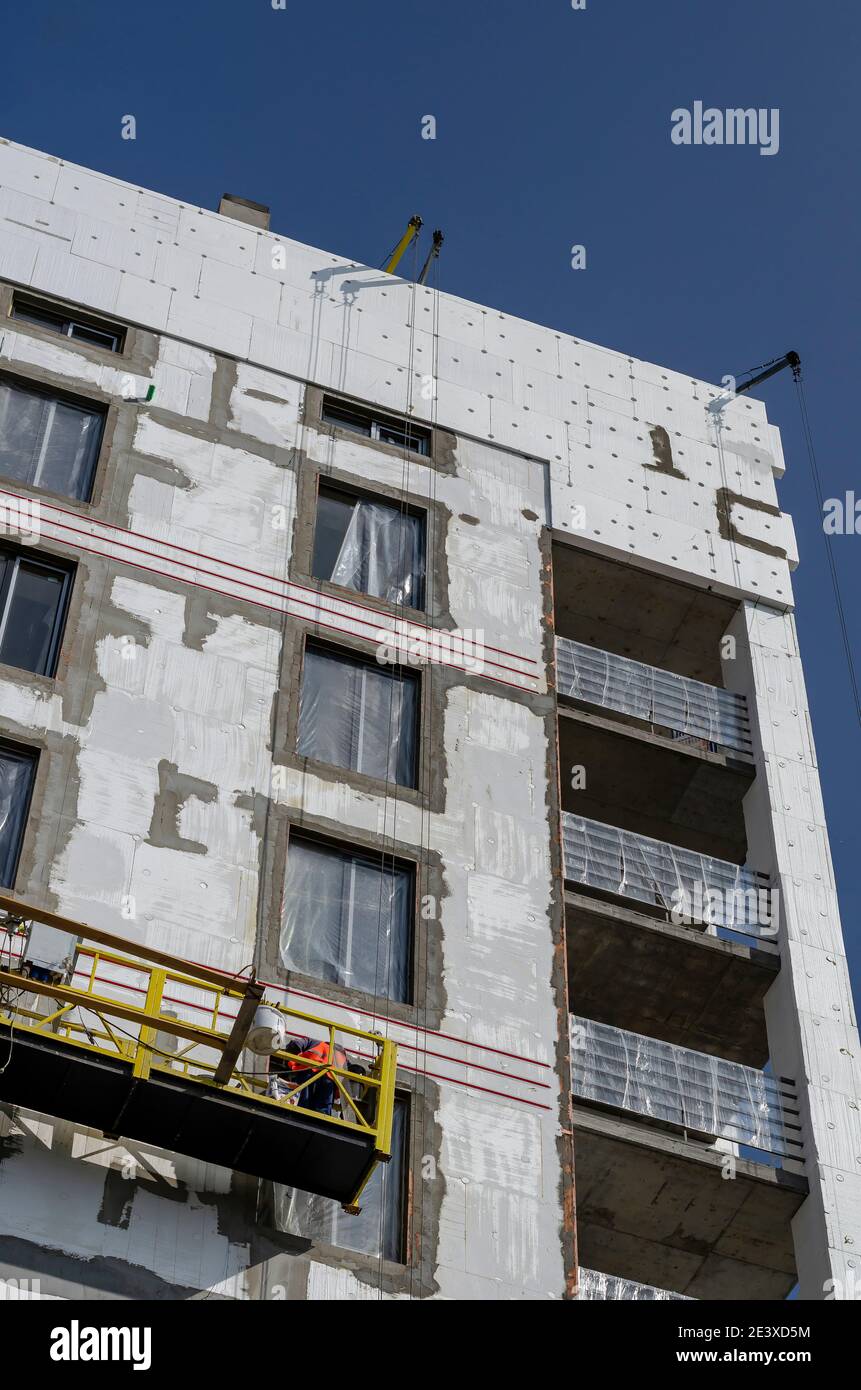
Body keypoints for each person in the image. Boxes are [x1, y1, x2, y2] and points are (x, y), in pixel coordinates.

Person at [272, 1036, 348, 1116]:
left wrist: (290, 1065)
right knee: (322, 1113)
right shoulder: (344, 1059)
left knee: (301, 1105)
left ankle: (298, 1118)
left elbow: (296, 1044)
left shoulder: (315, 1042)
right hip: (329, 1080)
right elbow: (351, 1076)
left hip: (308, 1072)